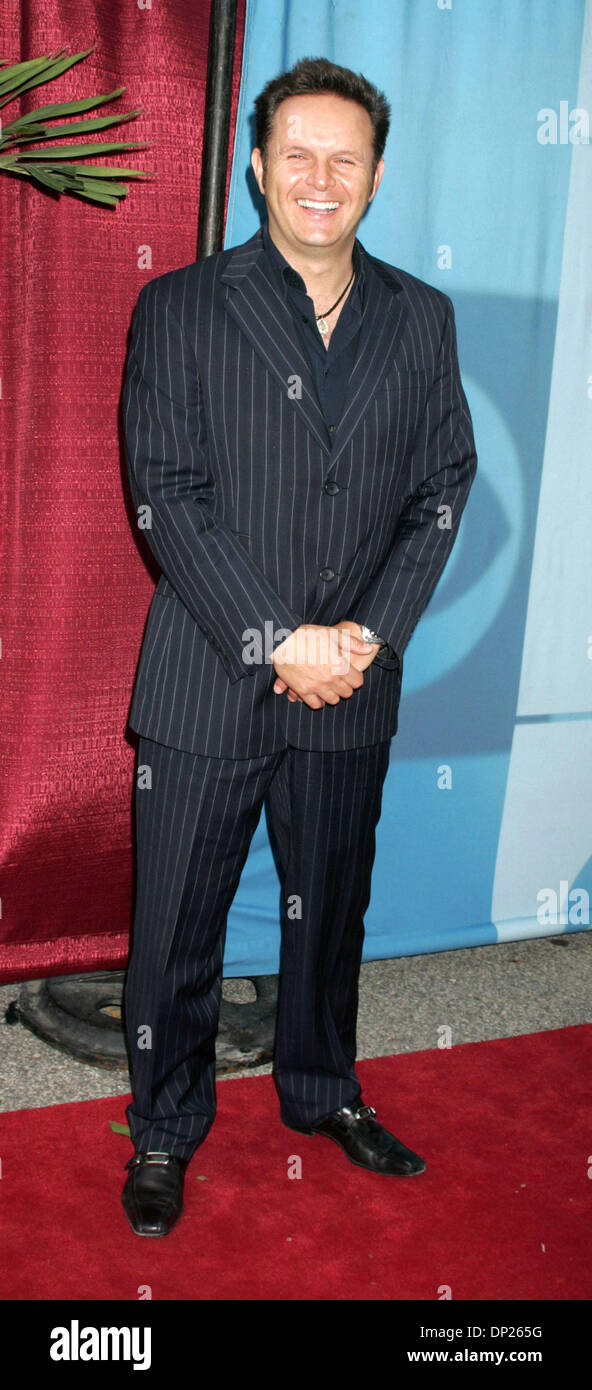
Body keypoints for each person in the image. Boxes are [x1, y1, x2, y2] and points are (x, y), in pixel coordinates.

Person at [120, 56, 477, 1237]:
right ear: (258, 167)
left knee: (327, 911)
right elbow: (165, 496)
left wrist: (363, 638)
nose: (320, 177)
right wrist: (281, 639)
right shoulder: (177, 305)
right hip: (210, 677)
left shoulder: (419, 318)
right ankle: (165, 1129)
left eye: (345, 158)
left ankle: (323, 1092)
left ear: (375, 178)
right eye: (297, 154)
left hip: (352, 687)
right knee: (176, 922)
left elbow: (442, 485)